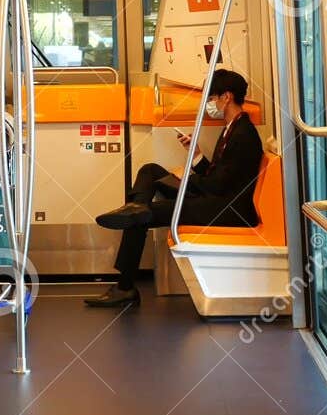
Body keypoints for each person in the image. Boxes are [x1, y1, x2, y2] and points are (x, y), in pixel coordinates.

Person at [86, 69, 263, 308]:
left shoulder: (244, 135)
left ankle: (125, 286)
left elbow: (219, 186)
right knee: (150, 170)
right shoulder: (231, 128)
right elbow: (219, 176)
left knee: (145, 215)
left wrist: (186, 179)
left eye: (211, 98)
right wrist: (197, 156)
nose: (208, 104)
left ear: (227, 97)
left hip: (226, 209)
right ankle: (135, 206)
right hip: (215, 196)